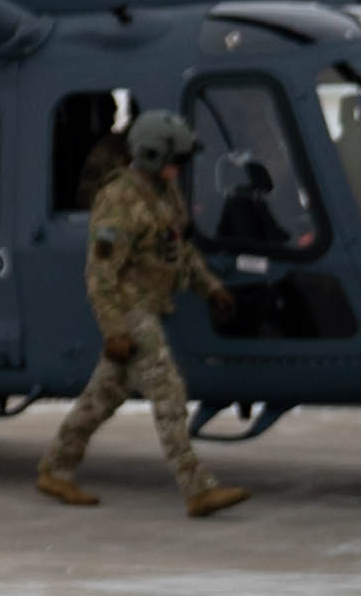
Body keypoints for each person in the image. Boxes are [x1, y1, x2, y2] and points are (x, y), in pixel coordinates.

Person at [36, 110, 253, 516]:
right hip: (131, 310)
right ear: (153, 154)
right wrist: (114, 329)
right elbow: (101, 273)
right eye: (175, 159)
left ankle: (56, 469)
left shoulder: (164, 193)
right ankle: (197, 488)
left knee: (102, 397)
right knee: (168, 392)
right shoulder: (118, 199)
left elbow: (178, 250)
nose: (179, 169)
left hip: (153, 305)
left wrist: (211, 288)